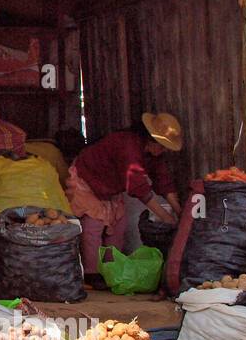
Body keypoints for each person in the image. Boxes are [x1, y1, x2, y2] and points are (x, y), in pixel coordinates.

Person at [67, 112, 183, 286]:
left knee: (118, 227)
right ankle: (92, 274)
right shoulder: (127, 146)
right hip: (87, 180)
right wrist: (166, 217)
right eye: (162, 145)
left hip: (110, 188)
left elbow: (163, 180)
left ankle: (110, 269)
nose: (164, 150)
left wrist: (180, 212)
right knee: (94, 227)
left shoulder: (153, 154)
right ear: (151, 140)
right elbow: (139, 188)